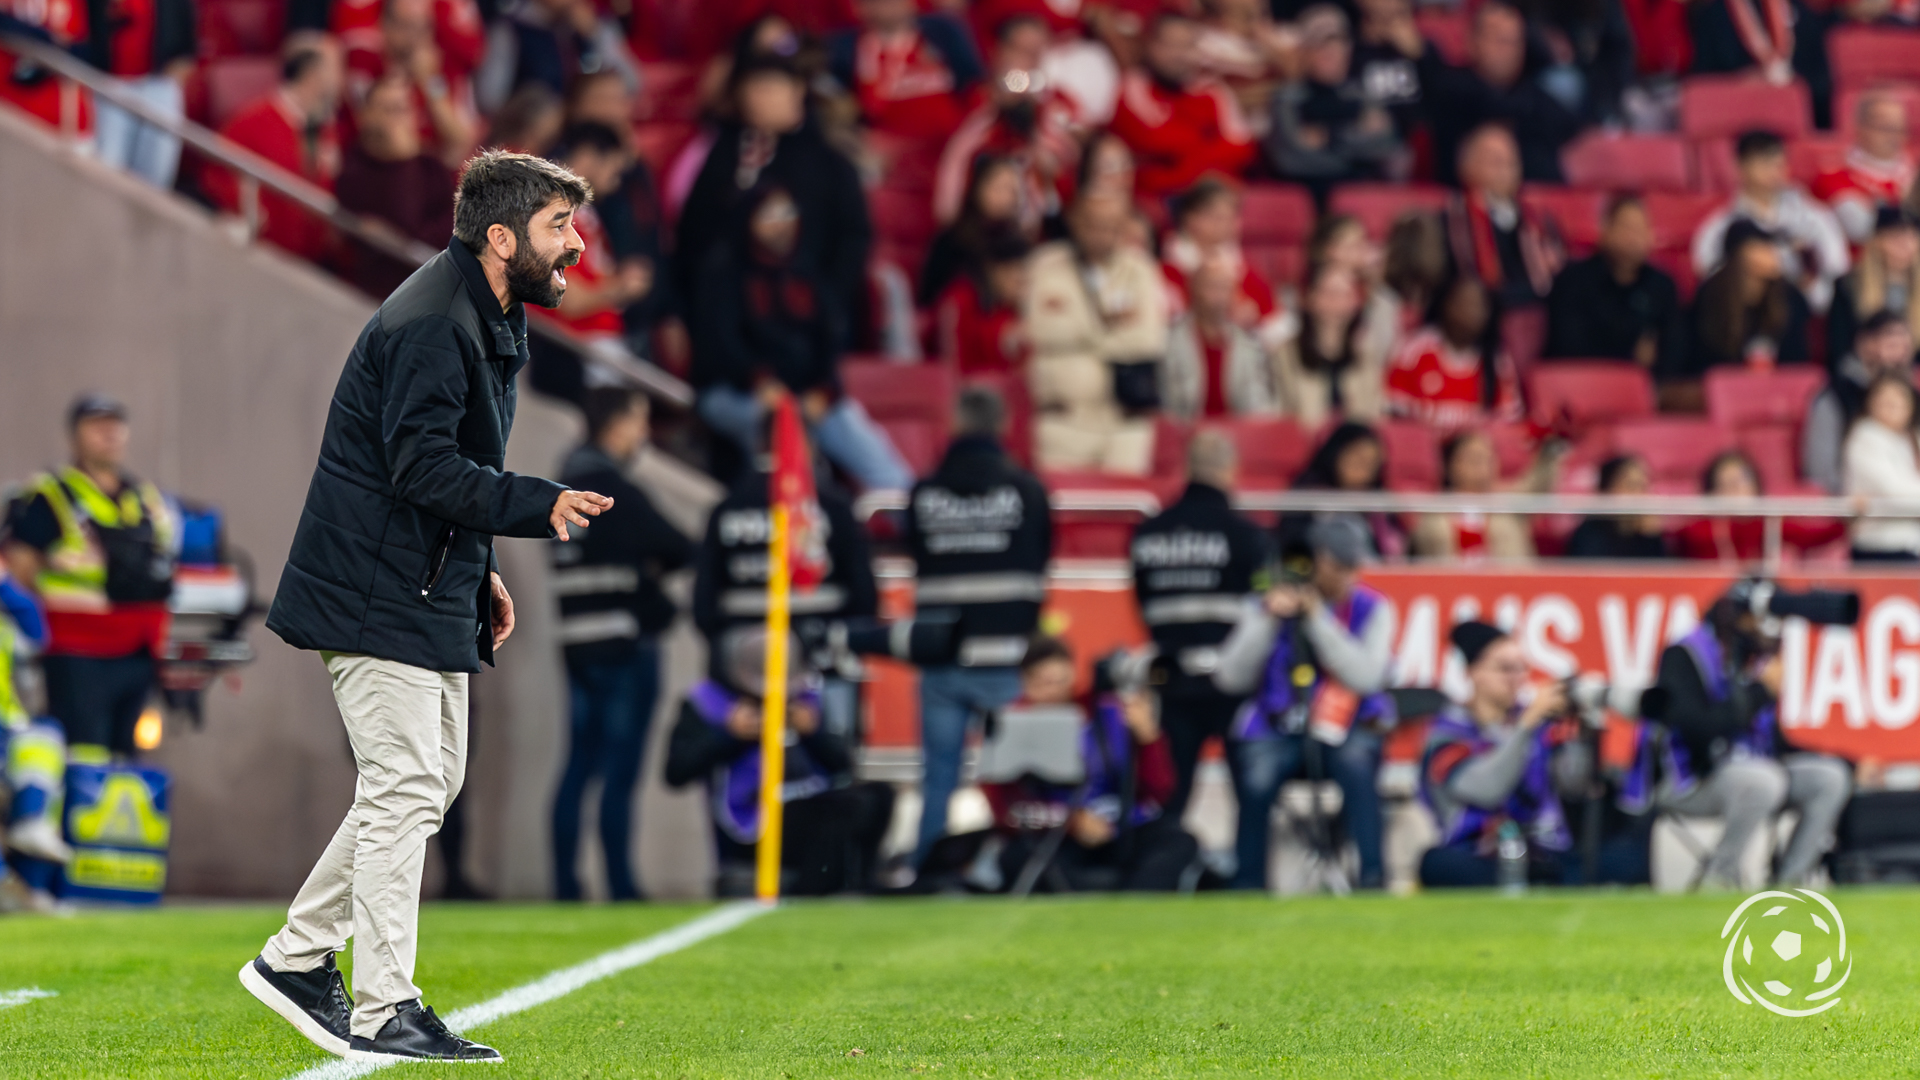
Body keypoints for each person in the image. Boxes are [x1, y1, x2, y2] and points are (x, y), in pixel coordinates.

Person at [241, 150, 613, 1064]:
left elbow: (433, 472)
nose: (575, 244)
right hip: (374, 590)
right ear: (500, 236)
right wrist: (536, 505)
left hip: (414, 580)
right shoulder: (435, 321)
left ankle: (295, 958)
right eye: (559, 226)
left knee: (423, 785)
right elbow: (425, 470)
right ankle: (381, 1009)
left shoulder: (478, 309)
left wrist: (476, 570)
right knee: (408, 787)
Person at [549, 388, 694, 902]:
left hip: (576, 643)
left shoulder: (560, 487)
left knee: (578, 765)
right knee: (619, 770)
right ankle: (621, 885)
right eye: (638, 422)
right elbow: (679, 546)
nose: (643, 435)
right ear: (613, 425)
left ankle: (565, 885)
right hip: (622, 645)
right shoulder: (612, 490)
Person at [906, 387, 1052, 874]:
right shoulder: (1027, 491)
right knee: (1014, 776)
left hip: (941, 659)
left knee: (938, 778)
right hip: (1006, 662)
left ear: (955, 423)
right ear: (1003, 424)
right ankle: (1015, 869)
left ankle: (926, 868)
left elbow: (916, 557)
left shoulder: (924, 494)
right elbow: (1040, 560)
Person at [1213, 516, 1396, 891]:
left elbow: (1366, 678)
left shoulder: (1373, 608)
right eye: (1337, 567)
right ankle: (1247, 884)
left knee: (1357, 763)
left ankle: (1372, 875)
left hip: (1347, 728)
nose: (1348, 577)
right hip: (1277, 726)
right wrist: (1267, 618)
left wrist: (1318, 619)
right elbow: (1229, 677)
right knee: (1257, 775)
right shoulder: (1264, 602)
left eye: (1352, 567)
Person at [689, 186, 914, 492]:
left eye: (787, 213)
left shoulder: (805, 270)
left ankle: (916, 515)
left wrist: (823, 389)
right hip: (739, 393)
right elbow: (719, 345)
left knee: (857, 433)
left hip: (806, 395)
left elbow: (829, 341)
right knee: (771, 427)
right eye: (769, 215)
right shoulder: (724, 271)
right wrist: (761, 382)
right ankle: (763, 511)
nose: (781, 224)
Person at [4, 395, 176, 764]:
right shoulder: (49, 495)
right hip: (76, 652)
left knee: (127, 761)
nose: (108, 435)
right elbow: (19, 572)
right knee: (82, 758)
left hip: (137, 652)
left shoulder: (144, 498)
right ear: (75, 435)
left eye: (116, 426)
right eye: (97, 426)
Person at [690, 406, 878, 744]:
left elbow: (704, 604)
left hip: (744, 676)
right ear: (804, 444)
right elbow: (864, 595)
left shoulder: (726, 509)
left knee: (747, 778)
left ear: (760, 444)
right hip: (822, 669)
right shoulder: (832, 506)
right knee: (829, 774)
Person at [663, 628, 895, 896]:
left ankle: (859, 883)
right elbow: (675, 774)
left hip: (811, 797)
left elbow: (842, 765)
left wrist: (813, 733)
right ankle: (810, 892)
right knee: (834, 812)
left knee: (876, 796)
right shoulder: (709, 703)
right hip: (752, 818)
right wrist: (729, 736)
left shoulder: (806, 699)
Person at [1651, 579, 1852, 889]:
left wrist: (1848, 759)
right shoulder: (1685, 654)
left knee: (1830, 776)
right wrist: (1759, 692)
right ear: (1741, 620)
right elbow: (1697, 730)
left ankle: (1790, 883)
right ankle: (1720, 877)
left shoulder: (1753, 662)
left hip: (1756, 772)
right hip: (1692, 779)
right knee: (1763, 780)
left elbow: (1773, 744)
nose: (1771, 634)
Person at [1419, 621, 1649, 887]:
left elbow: (1574, 786)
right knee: (1437, 864)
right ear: (1473, 672)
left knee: (1625, 858)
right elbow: (1487, 789)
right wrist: (1527, 724)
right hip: (1478, 853)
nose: (1515, 678)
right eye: (1505, 669)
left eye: (1520, 668)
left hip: (1542, 851)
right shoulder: (1447, 733)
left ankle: (1546, 880)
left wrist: (1581, 736)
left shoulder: (1536, 724)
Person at [972, 636, 1200, 891]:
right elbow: (1006, 809)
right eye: (1043, 683)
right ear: (1025, 682)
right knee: (1019, 858)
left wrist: (1148, 739)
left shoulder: (1104, 713)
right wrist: (1071, 822)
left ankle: (1133, 906)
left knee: (1177, 842)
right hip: (1056, 837)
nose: (1054, 691)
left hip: (1119, 827)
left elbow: (1159, 791)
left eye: (1060, 680)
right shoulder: (1008, 725)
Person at [675, 56, 872, 341]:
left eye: (768, 88)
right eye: (751, 89)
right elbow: (694, 229)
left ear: (797, 91)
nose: (757, 99)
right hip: (725, 317)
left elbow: (853, 238)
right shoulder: (725, 153)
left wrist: (826, 301)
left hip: (805, 317)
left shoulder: (829, 163)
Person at [1129, 429, 1272, 819]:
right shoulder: (1246, 535)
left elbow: (1143, 602)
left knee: (1171, 792)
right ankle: (1247, 874)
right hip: (1233, 681)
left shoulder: (1149, 533)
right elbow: (1266, 603)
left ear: (1187, 469)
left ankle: (1160, 871)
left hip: (1171, 677)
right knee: (1250, 789)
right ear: (1230, 470)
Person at [1025, 190, 1170, 474]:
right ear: (1075, 222)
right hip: (1062, 421)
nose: (1102, 234)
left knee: (1124, 511)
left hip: (1125, 421)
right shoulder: (1045, 266)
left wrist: (1080, 333)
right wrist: (1110, 325)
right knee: (1064, 511)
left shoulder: (1140, 269)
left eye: (1111, 226)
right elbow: (1041, 330)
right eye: (1093, 224)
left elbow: (1148, 339)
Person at [1410, 0, 1584, 185]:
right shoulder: (1451, 87)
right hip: (1458, 200)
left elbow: (1572, 128)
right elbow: (1496, 104)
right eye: (1500, 40)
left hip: (1533, 201)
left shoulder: (1534, 95)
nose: (1508, 50)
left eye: (1515, 42)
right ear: (1473, 42)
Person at [204, 41, 345, 263]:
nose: (341, 81)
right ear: (312, 76)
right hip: (261, 258)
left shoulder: (326, 129)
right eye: (336, 70)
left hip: (311, 264)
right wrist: (253, 214)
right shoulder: (253, 121)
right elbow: (215, 174)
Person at [1691, 130, 1849, 315]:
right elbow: (1710, 276)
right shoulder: (1719, 226)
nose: (1774, 171)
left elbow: (1837, 267)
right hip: (1745, 317)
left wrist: (1813, 295)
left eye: (1778, 163)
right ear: (1739, 168)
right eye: (1763, 162)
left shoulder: (1814, 217)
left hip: (1805, 312)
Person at [1108, 11, 1257, 202]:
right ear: (1151, 45)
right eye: (1170, 45)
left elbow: (1243, 148)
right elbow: (1152, 140)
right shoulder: (1134, 86)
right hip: (1160, 197)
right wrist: (1207, 150)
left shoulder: (1212, 92)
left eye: (1186, 46)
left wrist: (1188, 163)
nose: (1178, 55)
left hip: (1215, 197)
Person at [1263, 5, 1404, 199]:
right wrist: (1357, 151)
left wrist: (1330, 138)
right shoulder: (1286, 99)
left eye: (1339, 45)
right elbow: (1289, 159)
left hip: (1359, 196)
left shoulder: (1362, 96)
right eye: (1322, 46)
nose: (1332, 53)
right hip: (1307, 198)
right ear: (1306, 52)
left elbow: (1386, 144)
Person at [335, 73, 456, 298]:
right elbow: (405, 225)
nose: (398, 119)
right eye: (389, 110)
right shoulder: (355, 170)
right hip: (377, 295)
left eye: (404, 109)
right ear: (366, 116)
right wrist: (404, 161)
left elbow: (448, 231)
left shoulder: (430, 165)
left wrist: (407, 240)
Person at [1677, 220, 1813, 406]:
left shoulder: (1789, 297)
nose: (1772, 254)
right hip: (1722, 397)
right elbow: (1700, 361)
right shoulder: (1711, 295)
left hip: (1778, 396)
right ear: (1741, 254)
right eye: (1762, 247)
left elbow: (1798, 360)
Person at [1543, 195, 1685, 372]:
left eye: (1641, 229)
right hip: (1582, 385)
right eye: (1627, 228)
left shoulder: (1662, 285)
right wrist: (1629, 357)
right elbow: (1569, 349)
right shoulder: (1572, 280)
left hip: (1650, 390)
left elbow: (1673, 349)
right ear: (1606, 229)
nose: (1634, 238)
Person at [1441, 124, 1565, 311]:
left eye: (1511, 163)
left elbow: (1557, 275)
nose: (1505, 171)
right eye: (1495, 162)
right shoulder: (1453, 219)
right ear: (1465, 166)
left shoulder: (1538, 220)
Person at [551, 122, 655, 340]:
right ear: (588, 157)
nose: (616, 183)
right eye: (613, 170)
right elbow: (564, 296)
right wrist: (621, 287)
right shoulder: (551, 208)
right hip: (571, 348)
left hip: (599, 344)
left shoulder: (582, 211)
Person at [348, 0, 482, 167]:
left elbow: (462, 139)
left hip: (428, 173)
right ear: (384, 23)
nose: (414, 38)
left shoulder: (444, 70)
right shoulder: (364, 61)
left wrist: (430, 82)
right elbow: (371, 134)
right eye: (405, 26)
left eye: (422, 29)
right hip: (376, 169)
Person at [827, 0, 983, 139]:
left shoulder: (942, 33)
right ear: (861, 7)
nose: (893, 4)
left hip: (952, 141)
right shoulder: (846, 49)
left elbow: (976, 84)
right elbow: (837, 106)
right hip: (889, 154)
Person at [1385, 275, 1523, 429]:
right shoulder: (1413, 351)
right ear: (1446, 304)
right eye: (1463, 303)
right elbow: (1395, 414)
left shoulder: (1498, 362)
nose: (1470, 312)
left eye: (1477, 306)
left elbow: (1508, 423)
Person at [1160, 177, 1284, 347]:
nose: (1225, 225)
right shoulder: (1169, 272)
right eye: (1216, 217)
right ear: (1189, 219)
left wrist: (1254, 319)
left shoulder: (1243, 269)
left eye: (1230, 217)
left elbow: (1273, 319)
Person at [85, 0, 196, 189]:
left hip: (157, 84)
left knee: (155, 177)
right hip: (108, 84)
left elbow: (186, 40)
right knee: (105, 170)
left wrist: (182, 61)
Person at [1271, 262, 1395, 427]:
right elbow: (1282, 415)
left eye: (1345, 295)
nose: (1338, 304)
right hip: (1303, 445)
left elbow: (1375, 413)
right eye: (1329, 294)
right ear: (1309, 298)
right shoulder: (1284, 354)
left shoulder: (1365, 354)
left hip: (1357, 445)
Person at [1806, 310, 1916, 493]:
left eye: (1903, 344)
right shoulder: (1836, 398)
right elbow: (1820, 470)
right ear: (1864, 344)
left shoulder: (1914, 396)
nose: (1898, 353)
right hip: (1861, 506)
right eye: (1891, 342)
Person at [475, 0, 638, 118]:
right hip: (536, 139)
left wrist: (594, 36)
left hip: (585, 133)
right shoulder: (510, 29)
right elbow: (490, 100)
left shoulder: (595, 24)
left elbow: (631, 84)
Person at [1673, 450, 1845, 561]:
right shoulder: (1697, 530)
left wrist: (1847, 518)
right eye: (1729, 484)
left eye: (1742, 482)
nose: (1737, 490)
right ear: (1714, 492)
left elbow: (1811, 537)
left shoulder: (1765, 523)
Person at [1410, 428, 1554, 561]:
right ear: (1451, 464)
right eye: (1472, 457)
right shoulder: (1433, 512)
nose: (1479, 464)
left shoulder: (1508, 504)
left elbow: (1538, 481)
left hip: (1509, 585)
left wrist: (1549, 453)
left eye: (1485, 457)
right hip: (1448, 586)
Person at [1161, 260, 1278, 423]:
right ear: (1193, 289)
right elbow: (1166, 403)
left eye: (1224, 287)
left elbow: (1259, 402)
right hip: (1186, 432)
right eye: (1211, 286)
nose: (1218, 295)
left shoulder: (1248, 346)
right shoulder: (1169, 342)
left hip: (1237, 435)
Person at [1279, 421, 1406, 560]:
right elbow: (1291, 547)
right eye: (1357, 459)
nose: (1363, 469)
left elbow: (1396, 552)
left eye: (1371, 463)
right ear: (1336, 454)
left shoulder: (1380, 503)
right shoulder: (1308, 493)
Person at [923, 153, 1027, 308]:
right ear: (977, 188)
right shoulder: (954, 240)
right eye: (999, 188)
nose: (1007, 198)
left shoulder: (1017, 242)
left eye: (1013, 191)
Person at [1812, 91, 1914, 245]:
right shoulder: (1834, 176)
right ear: (1860, 127)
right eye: (1886, 127)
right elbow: (1860, 230)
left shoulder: (1913, 173)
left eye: (1900, 128)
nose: (1894, 136)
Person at [1826, 205, 1920, 370]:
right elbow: (1839, 351)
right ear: (1877, 241)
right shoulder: (1849, 286)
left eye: (1912, 237)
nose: (1905, 245)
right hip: (1862, 375)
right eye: (1895, 237)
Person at [934, 228, 1033, 376]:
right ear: (991, 269)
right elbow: (954, 364)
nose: (1018, 278)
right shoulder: (961, 299)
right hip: (971, 391)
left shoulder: (1016, 306)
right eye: (1010, 269)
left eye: (1022, 269)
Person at [1844, 374, 1920, 562]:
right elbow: (1896, 493)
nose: (1894, 404)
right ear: (1872, 402)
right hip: (1880, 547)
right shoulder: (1865, 437)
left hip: (1910, 544)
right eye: (1886, 399)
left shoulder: (1910, 438)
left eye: (1900, 397)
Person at [1564, 454, 1670, 559]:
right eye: (1631, 485)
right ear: (1607, 489)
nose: (1639, 495)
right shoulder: (1588, 534)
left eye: (1643, 487)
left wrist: (1651, 538)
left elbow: (1659, 571)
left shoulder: (1649, 533)